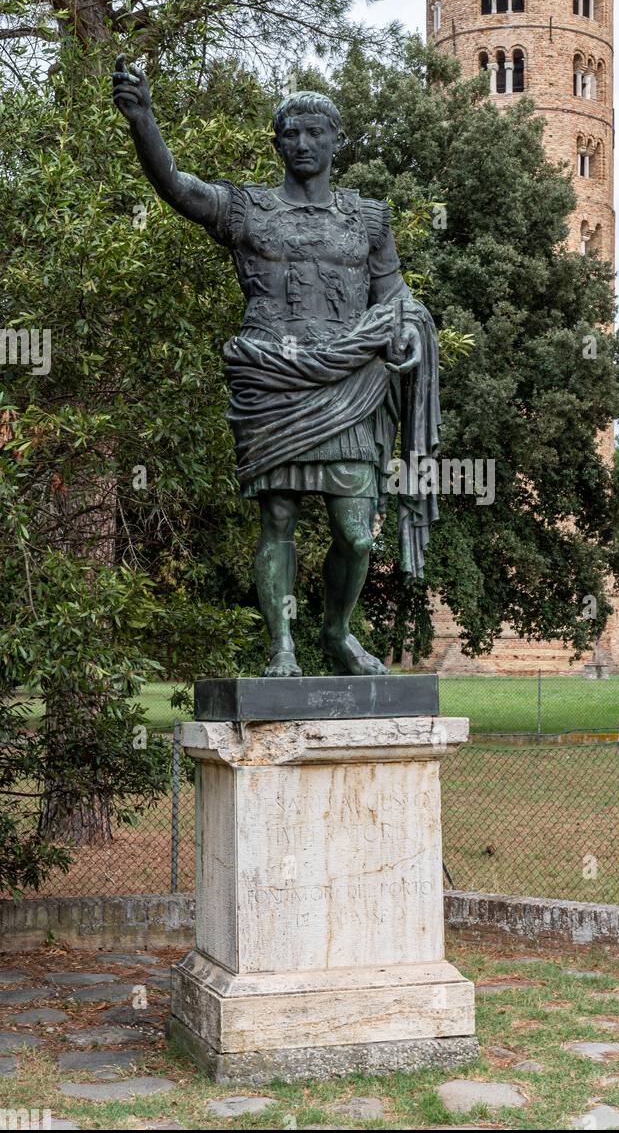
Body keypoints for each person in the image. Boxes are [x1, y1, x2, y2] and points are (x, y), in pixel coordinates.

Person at [112, 58, 440, 676]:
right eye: (291, 133)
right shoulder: (249, 211)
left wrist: (410, 331)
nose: (304, 143)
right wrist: (144, 122)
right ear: (277, 142)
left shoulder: (368, 218)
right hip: (271, 377)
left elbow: (393, 296)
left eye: (316, 131)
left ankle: (337, 634)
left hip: (348, 383)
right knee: (280, 518)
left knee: (356, 532)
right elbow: (179, 188)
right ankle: (281, 649)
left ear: (337, 140)